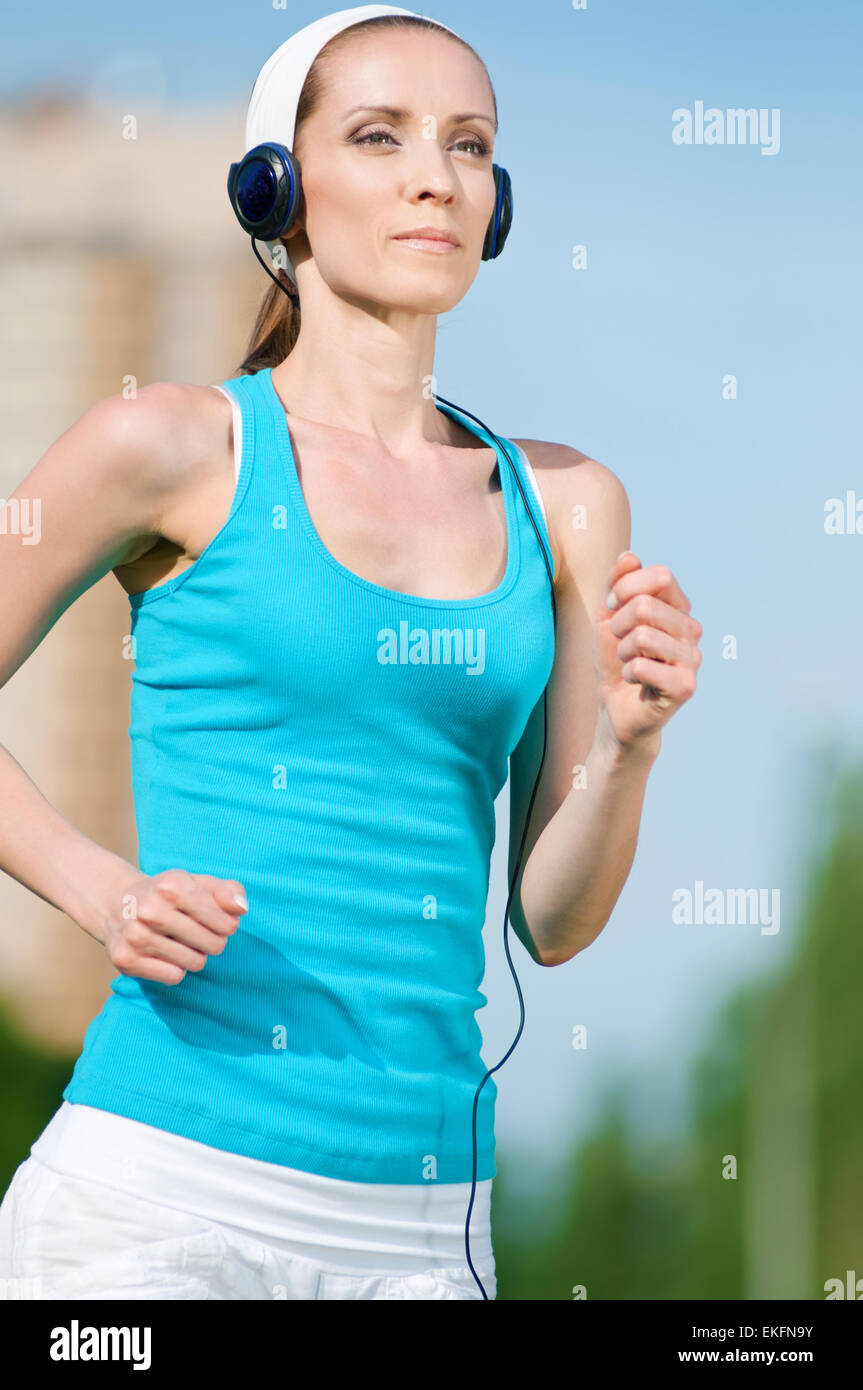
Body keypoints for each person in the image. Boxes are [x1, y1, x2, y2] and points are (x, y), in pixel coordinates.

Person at [0, 6, 702, 1301]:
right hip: (156, 1200)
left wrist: (628, 745)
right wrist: (101, 892)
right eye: (379, 137)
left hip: (426, 1231)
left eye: (469, 145)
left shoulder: (567, 503)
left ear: (496, 206)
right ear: (277, 186)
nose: (435, 173)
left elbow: (551, 924)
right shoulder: (169, 445)